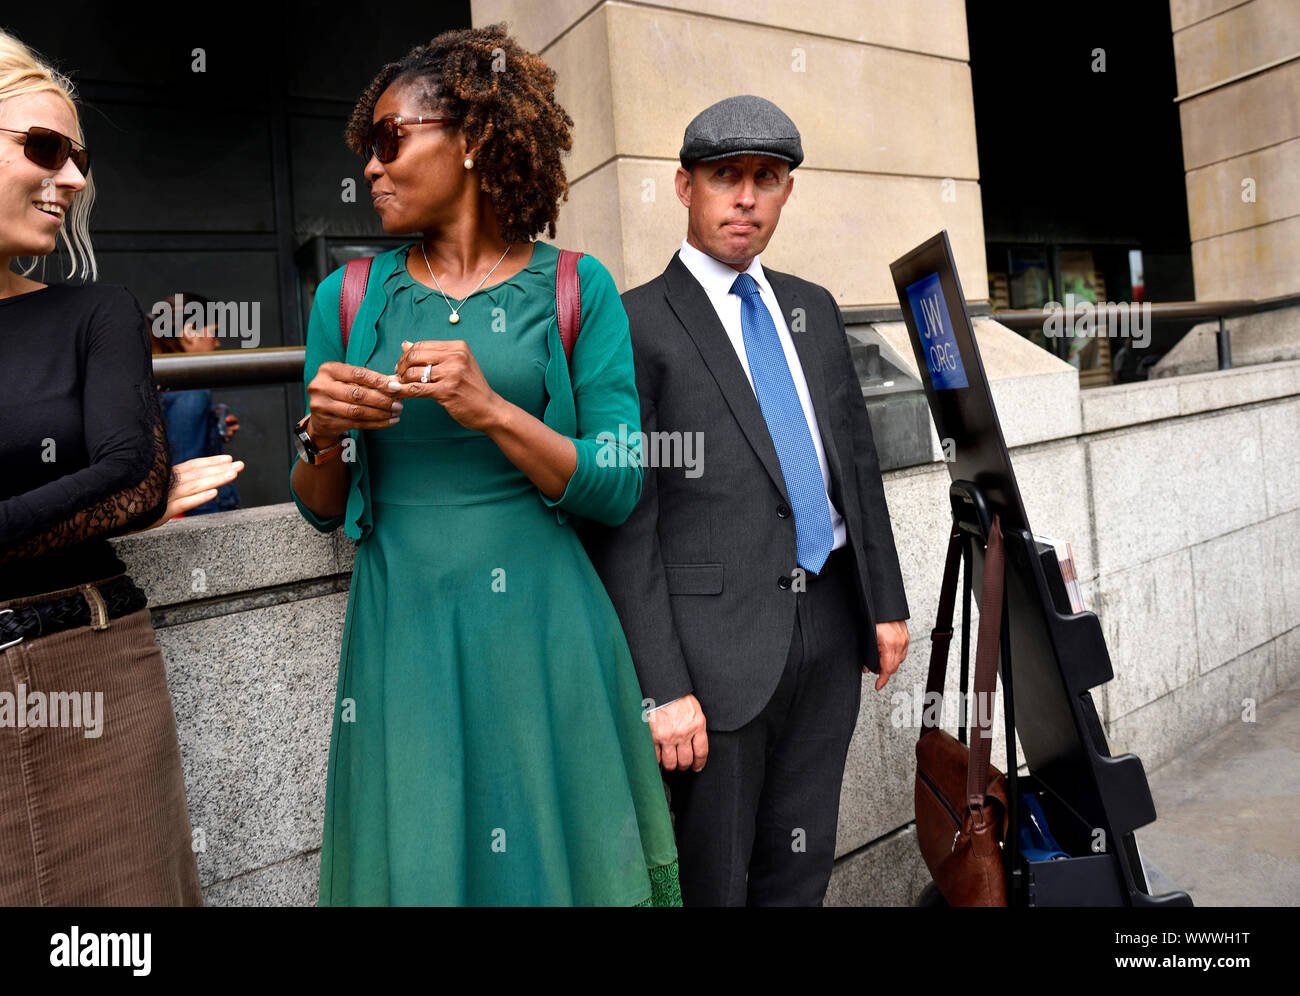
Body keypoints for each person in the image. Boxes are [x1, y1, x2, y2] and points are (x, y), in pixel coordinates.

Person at [288, 24, 680, 906]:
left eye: (390, 141)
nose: (371, 171)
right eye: (367, 149)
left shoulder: (581, 288)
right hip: (405, 632)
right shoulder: (347, 298)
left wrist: (494, 410)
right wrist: (322, 433)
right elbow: (320, 509)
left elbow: (618, 482)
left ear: (469, 141)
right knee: (425, 858)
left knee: (557, 861)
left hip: (546, 632)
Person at [583, 95, 912, 906]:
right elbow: (626, 523)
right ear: (683, 187)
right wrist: (661, 687)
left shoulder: (815, 309)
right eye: (725, 177)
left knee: (801, 869)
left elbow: (857, 470)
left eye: (766, 179)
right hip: (711, 657)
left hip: (829, 627)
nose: (745, 197)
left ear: (786, 193)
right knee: (716, 882)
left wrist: (887, 603)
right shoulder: (633, 325)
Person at [0, 30, 237, 905]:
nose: (72, 178)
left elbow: (132, 474)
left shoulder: (94, 311)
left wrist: (118, 498)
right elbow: (110, 487)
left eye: (79, 158)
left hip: (89, 665)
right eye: (45, 148)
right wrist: (82, 501)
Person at [151, 292, 241, 515]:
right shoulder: (189, 392)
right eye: (214, 333)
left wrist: (212, 426)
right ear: (190, 333)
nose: (218, 343)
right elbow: (189, 480)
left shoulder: (164, 385)